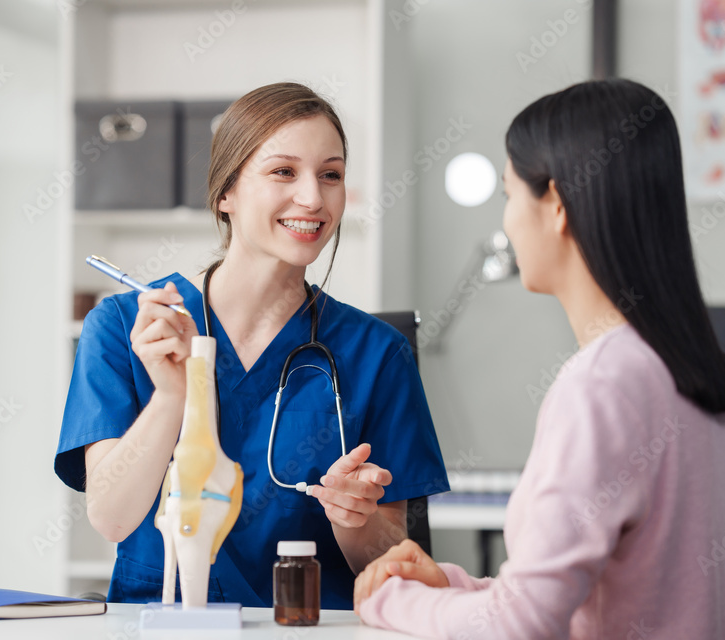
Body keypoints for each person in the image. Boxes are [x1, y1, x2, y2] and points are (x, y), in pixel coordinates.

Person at [354, 79, 725, 640]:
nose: (508, 224)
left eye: (511, 195)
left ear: (558, 205)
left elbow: (522, 634)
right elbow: (599, 612)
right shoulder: (690, 370)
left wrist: (392, 601)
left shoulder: (602, 386)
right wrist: (454, 589)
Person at [55, 82, 448, 609]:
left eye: (330, 175)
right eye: (284, 171)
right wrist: (173, 396)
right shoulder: (126, 327)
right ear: (226, 192)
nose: (313, 197)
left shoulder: (376, 353)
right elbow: (112, 517)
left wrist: (353, 520)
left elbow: (395, 563)